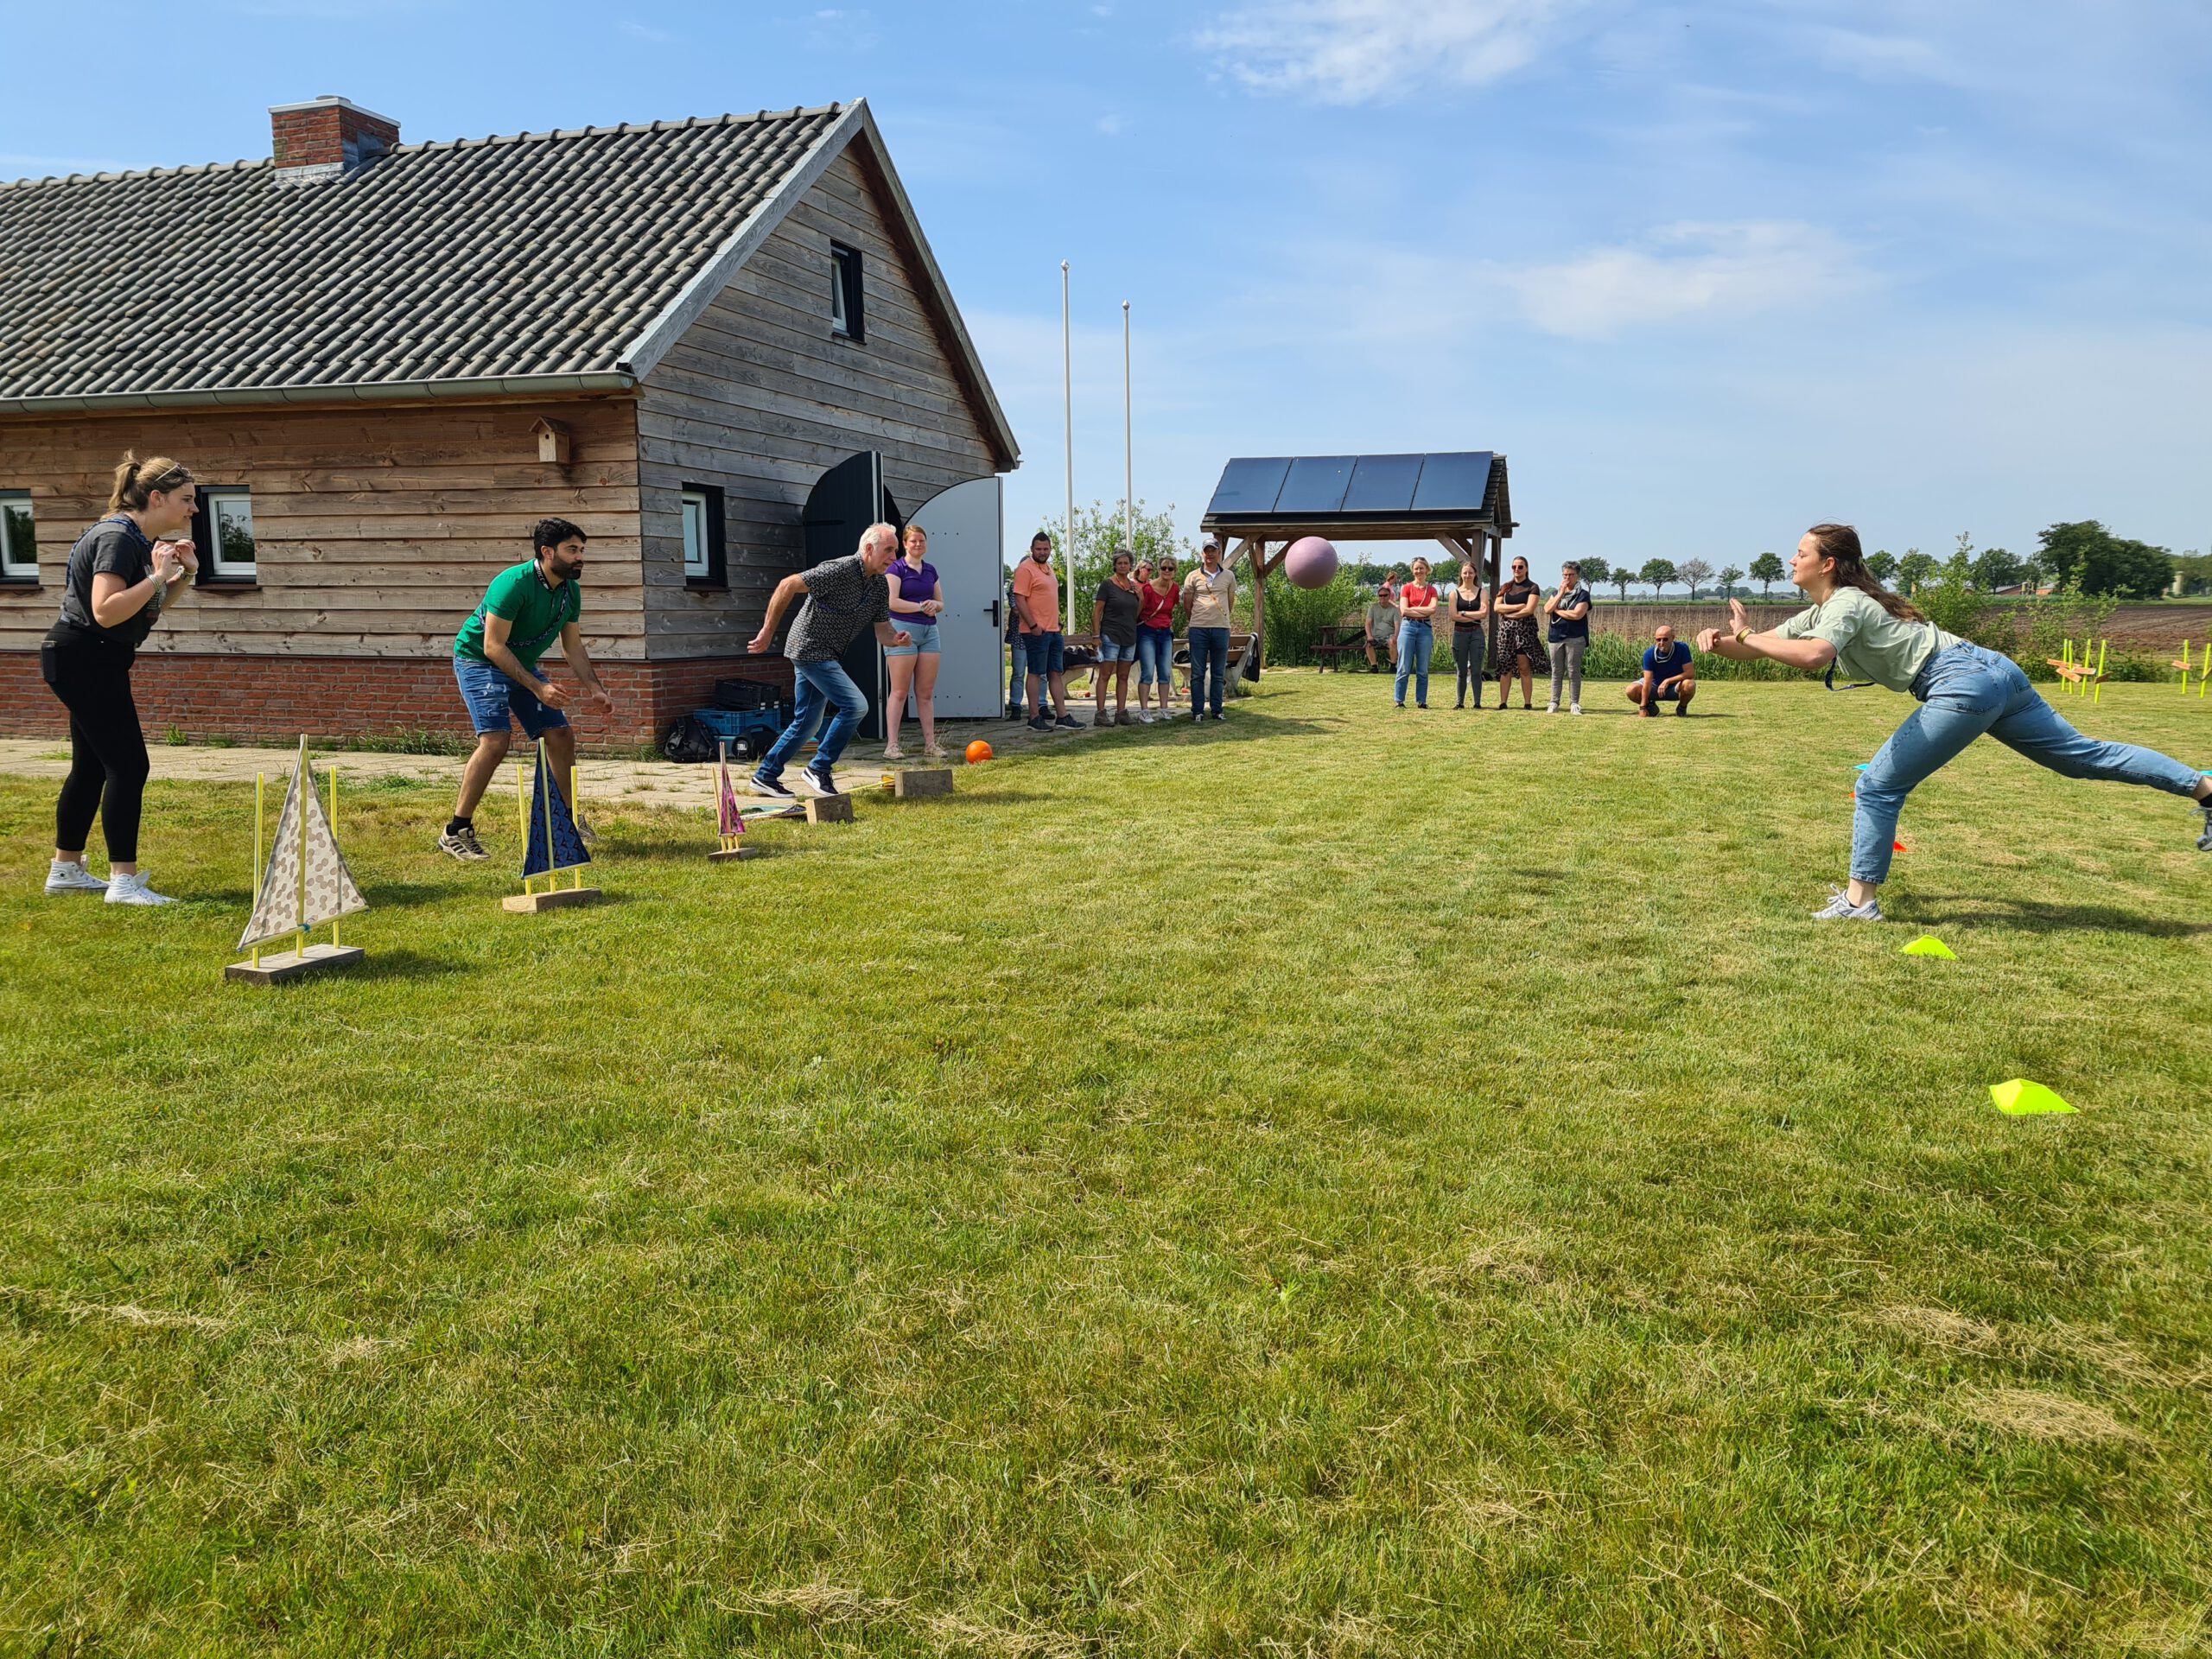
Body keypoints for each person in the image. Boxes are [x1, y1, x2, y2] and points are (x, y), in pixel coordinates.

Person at [1697, 521, 2212, 921]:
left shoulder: (1847, 603)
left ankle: (1859, 903)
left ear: (1827, 564)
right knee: (2080, 758)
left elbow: (1813, 656)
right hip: (1993, 672)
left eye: (1801, 553)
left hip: (1960, 681)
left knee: (1878, 786)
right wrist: (1718, 642)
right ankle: (2205, 789)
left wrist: (1745, 637)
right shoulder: (1824, 610)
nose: (1792, 559)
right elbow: (1765, 647)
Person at [41, 453, 200, 904]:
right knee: (129, 766)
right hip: (85, 657)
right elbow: (106, 611)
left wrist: (183, 575)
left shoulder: (135, 538)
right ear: (157, 497)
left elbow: (147, 607)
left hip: (91, 658)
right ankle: (123, 882)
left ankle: (65, 870)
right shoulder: (117, 537)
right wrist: (158, 576)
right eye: (186, 499)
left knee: (92, 766)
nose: (194, 509)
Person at [442, 518, 613, 861]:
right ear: (547, 552)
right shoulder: (512, 583)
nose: (580, 557)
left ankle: (564, 821)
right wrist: (538, 687)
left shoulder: (569, 590)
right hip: (479, 661)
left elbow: (572, 646)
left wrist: (595, 688)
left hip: (518, 662)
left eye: (582, 550)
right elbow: (492, 646)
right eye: (572, 550)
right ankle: (456, 831)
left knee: (560, 735)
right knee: (495, 741)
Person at [746, 523, 912, 798]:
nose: (894, 557)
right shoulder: (839, 570)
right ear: (869, 549)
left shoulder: (880, 586)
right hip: (809, 648)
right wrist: (767, 631)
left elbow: (883, 630)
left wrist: (897, 639)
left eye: (896, 551)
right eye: (889, 550)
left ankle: (765, 776)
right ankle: (819, 768)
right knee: (855, 706)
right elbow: (788, 585)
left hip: (828, 653)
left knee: (807, 723)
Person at [882, 523, 945, 760]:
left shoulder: (930, 570)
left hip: (930, 632)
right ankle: (892, 745)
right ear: (905, 544)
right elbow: (892, 602)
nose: (918, 544)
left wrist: (934, 605)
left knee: (925, 692)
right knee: (899, 691)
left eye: (922, 540)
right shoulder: (896, 569)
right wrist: (921, 606)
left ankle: (930, 744)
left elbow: (941, 603)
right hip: (903, 631)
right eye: (913, 541)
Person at [1014, 530, 1081, 732]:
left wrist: (1057, 622)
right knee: (1035, 673)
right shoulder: (1025, 569)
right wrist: (1033, 625)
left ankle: (1062, 716)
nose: (1042, 552)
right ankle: (1034, 717)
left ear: (1050, 549)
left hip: (1054, 631)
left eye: (1046, 549)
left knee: (1055, 672)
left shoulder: (1049, 569)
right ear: (1032, 549)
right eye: (1038, 549)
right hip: (1036, 632)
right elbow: (1020, 599)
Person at [1181, 535, 1237, 721]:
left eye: (1213, 551)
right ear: (1202, 554)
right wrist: (1197, 620)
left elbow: (1230, 602)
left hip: (1221, 628)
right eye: (1207, 551)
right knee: (1197, 673)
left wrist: (1221, 617)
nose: (1210, 554)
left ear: (1219, 553)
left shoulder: (1229, 576)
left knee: (1218, 672)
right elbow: (1187, 604)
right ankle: (1197, 711)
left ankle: (1217, 710)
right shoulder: (1192, 576)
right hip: (1199, 629)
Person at [1091, 548, 1142, 727]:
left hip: (1130, 636)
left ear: (1130, 566)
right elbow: (1097, 611)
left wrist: (1141, 596)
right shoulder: (1107, 585)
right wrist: (1096, 635)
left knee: (1123, 675)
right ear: (1114, 565)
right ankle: (1100, 713)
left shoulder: (1133, 587)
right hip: (1110, 635)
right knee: (1105, 674)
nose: (1123, 566)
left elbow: (1137, 612)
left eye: (1126, 563)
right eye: (1119, 563)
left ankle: (1121, 712)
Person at [1490, 555, 1548, 709]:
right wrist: (1518, 607)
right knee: (1505, 667)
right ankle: (1503, 702)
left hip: (1524, 632)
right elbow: (1497, 607)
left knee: (1524, 667)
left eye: (1520, 567)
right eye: (1514, 567)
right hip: (1506, 633)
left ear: (1526, 569)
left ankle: (1527, 703)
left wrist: (1509, 615)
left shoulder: (1532, 587)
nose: (1517, 569)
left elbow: (1529, 610)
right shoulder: (1506, 587)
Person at [1543, 560, 1594, 715]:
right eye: (1565, 575)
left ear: (1577, 576)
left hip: (1575, 637)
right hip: (1555, 637)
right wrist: (1560, 594)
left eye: (1571, 575)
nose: (1567, 578)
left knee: (1573, 671)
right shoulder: (1555, 593)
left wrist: (1558, 611)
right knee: (1556, 671)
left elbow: (1577, 615)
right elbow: (1547, 609)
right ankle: (1554, 702)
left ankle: (1574, 703)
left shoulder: (1583, 595)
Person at [1134, 555, 1178, 723]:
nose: (1167, 571)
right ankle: (1144, 710)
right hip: (1147, 632)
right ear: (1159, 570)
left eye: (1170, 568)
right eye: (1164, 568)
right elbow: (1139, 611)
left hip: (1165, 632)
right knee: (1147, 672)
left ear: (1174, 571)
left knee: (1165, 672)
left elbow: (1171, 609)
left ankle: (1164, 708)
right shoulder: (1148, 589)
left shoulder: (1175, 589)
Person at [1394, 556, 1440, 709]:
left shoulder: (1432, 590)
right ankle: (1399, 700)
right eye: (1416, 568)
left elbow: (1433, 609)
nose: (1419, 571)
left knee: (1423, 668)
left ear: (1427, 570)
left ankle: (1422, 700)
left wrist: (1412, 609)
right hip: (1408, 627)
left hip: (1425, 628)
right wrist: (1422, 610)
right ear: (1412, 571)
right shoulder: (1406, 588)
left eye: (1421, 568)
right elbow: (1403, 610)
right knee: (1404, 666)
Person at [1630, 625, 1696, 716]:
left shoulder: (1682, 648)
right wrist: (1643, 707)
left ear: (1673, 638)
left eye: (1665, 639)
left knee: (1690, 685)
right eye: (1658, 640)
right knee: (1631, 690)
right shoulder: (1649, 654)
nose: (1661, 643)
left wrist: (1668, 681)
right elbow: (1647, 682)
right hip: (1654, 687)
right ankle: (1650, 706)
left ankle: (1682, 707)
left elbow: (1690, 673)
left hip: (1675, 688)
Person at [1448, 562, 1488, 709]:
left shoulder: (1482, 592)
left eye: (1470, 572)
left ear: (1475, 574)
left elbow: (1484, 614)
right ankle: (1460, 702)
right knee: (1461, 670)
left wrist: (1463, 613)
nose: (1467, 575)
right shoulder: (1454, 594)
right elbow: (1453, 616)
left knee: (1476, 669)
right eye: (1465, 572)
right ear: (1461, 574)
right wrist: (1474, 615)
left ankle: (1477, 703)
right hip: (1460, 633)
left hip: (1476, 633)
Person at [1365, 577, 1399, 671]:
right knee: (1368, 645)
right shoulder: (1373, 608)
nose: (1383, 597)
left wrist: (1395, 636)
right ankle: (1374, 666)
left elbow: (1397, 625)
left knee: (1393, 642)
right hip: (1376, 636)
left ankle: (1393, 665)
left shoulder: (1394, 609)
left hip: (1389, 635)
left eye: (1385, 595)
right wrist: (1369, 636)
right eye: (1380, 596)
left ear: (1389, 596)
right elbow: (1367, 623)